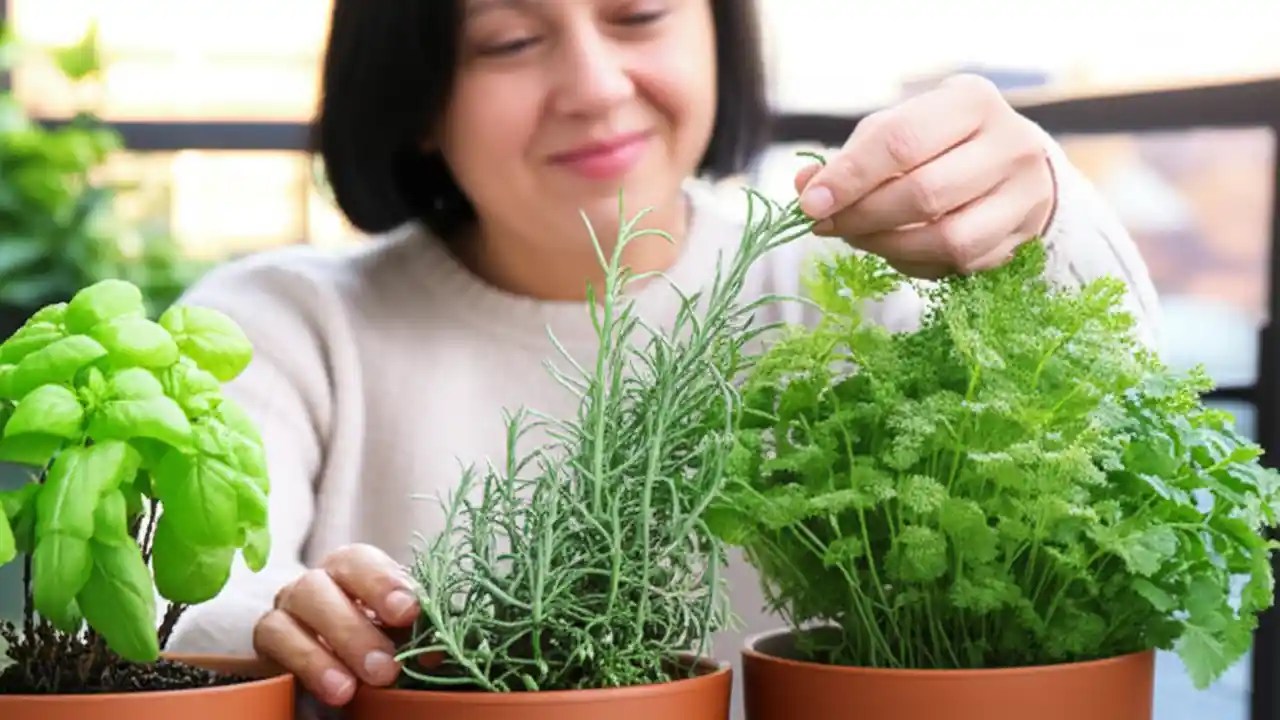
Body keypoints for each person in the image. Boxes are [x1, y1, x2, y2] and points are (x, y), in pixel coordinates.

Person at [166, 0, 1161, 714]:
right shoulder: (287, 323)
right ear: (414, 93)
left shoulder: (845, 286)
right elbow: (176, 588)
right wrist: (265, 618)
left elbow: (1117, 429)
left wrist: (1037, 218)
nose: (595, 87)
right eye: (510, 40)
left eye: (637, 16)